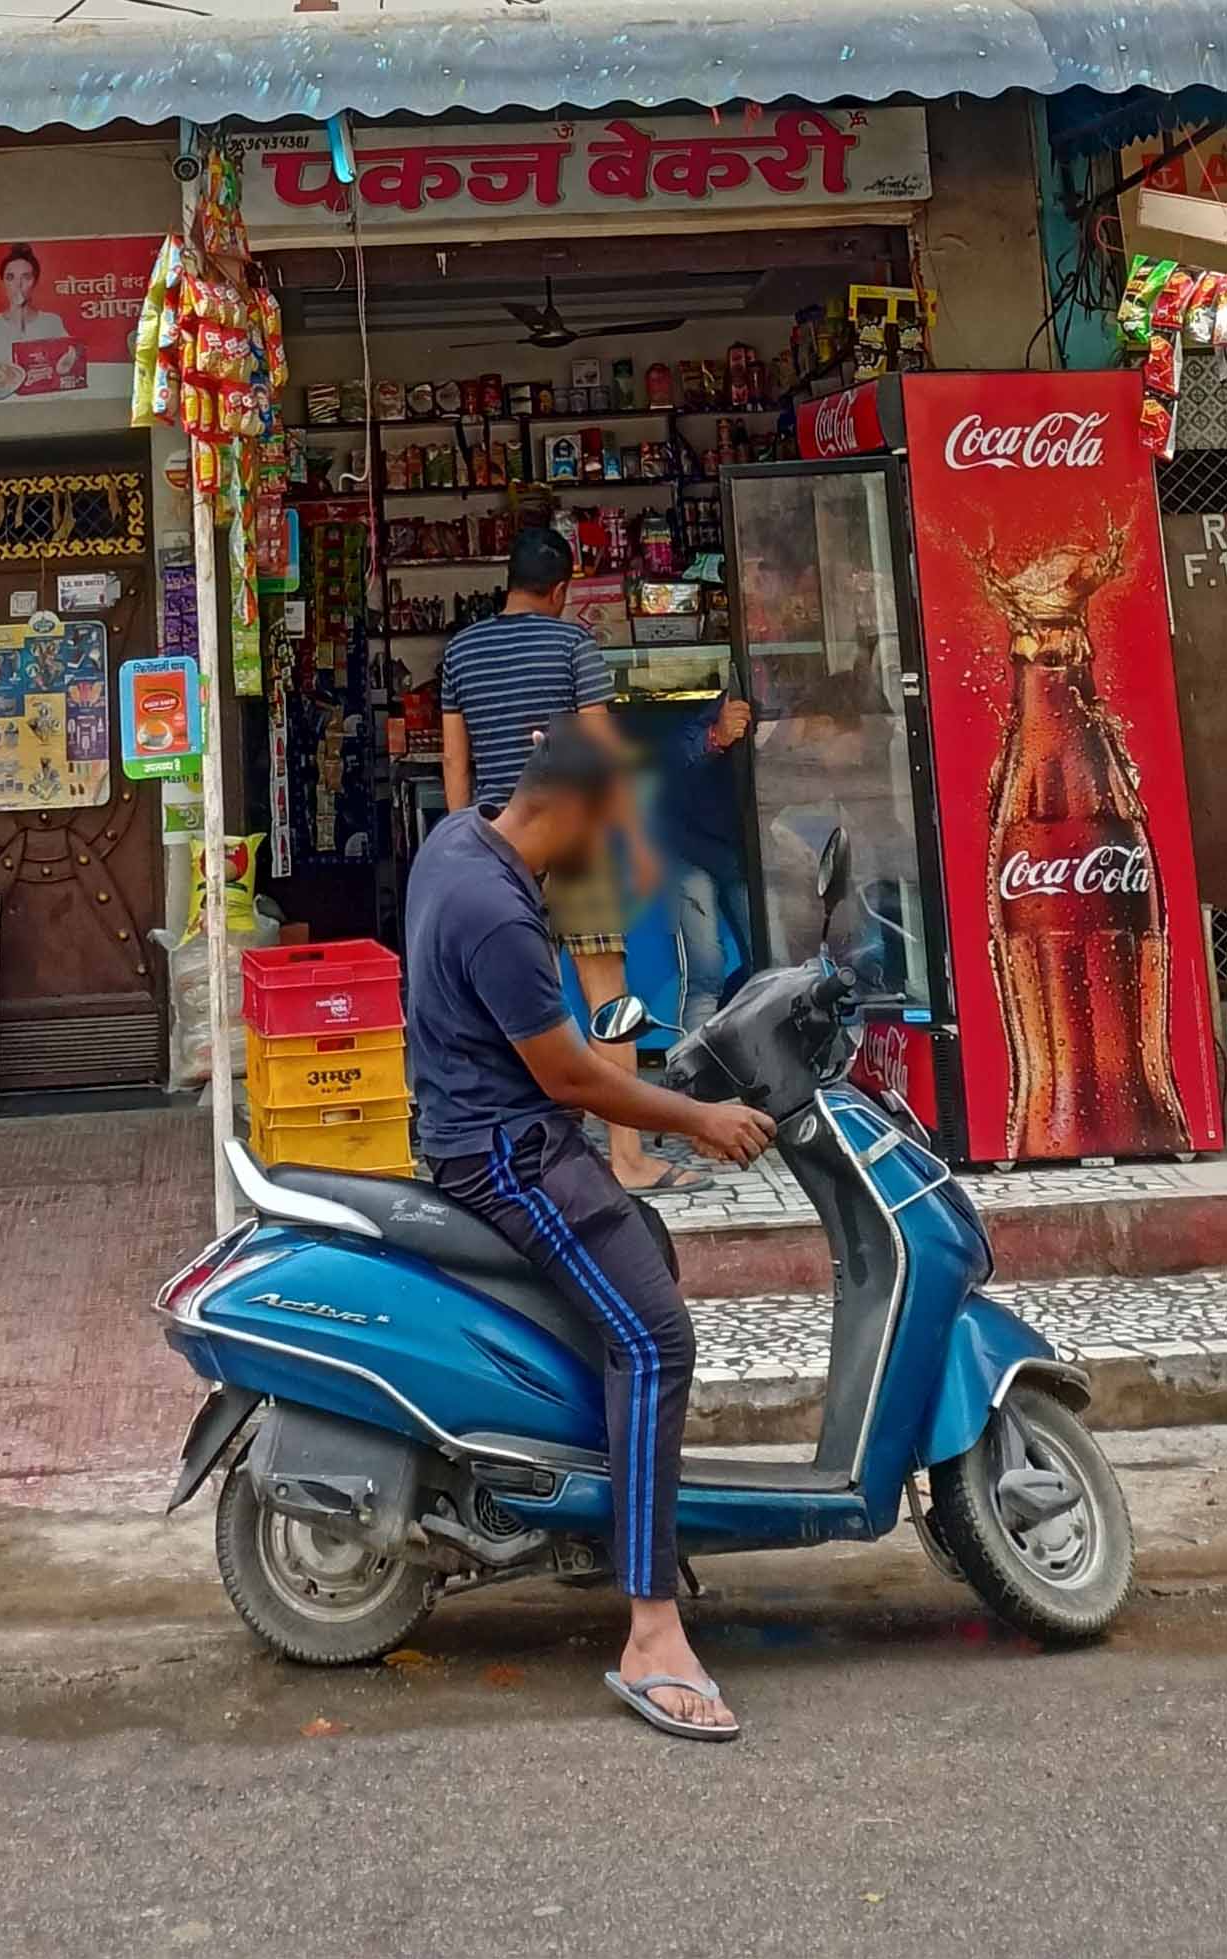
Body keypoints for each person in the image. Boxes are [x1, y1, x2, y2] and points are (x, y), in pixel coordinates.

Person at [408, 718, 776, 1740]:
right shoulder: (496, 912)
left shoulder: (455, 841)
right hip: (507, 1156)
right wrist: (699, 1118)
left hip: (487, 1128)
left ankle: (602, 1517)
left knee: (643, 1253)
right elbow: (570, 1075)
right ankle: (651, 1633)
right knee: (658, 1339)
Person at [440, 527, 704, 1194]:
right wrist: (639, 843)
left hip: (497, 844)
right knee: (605, 997)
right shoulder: (571, 644)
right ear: (560, 588)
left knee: (502, 1002)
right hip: (576, 836)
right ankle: (627, 1156)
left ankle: (516, 1155)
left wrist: (458, 841)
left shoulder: (460, 650)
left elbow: (454, 759)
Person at [655, 691, 754, 1032]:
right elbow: (676, 754)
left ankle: (730, 1041)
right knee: (706, 973)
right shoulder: (732, 705)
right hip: (689, 851)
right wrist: (716, 737)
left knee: (771, 967)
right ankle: (694, 1078)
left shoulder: (787, 722)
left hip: (741, 854)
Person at [0, 244, 71, 365]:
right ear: (3, 282)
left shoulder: (52, 322)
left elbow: (67, 365)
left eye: (26, 277)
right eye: (10, 277)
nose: (18, 284)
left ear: (35, 282)